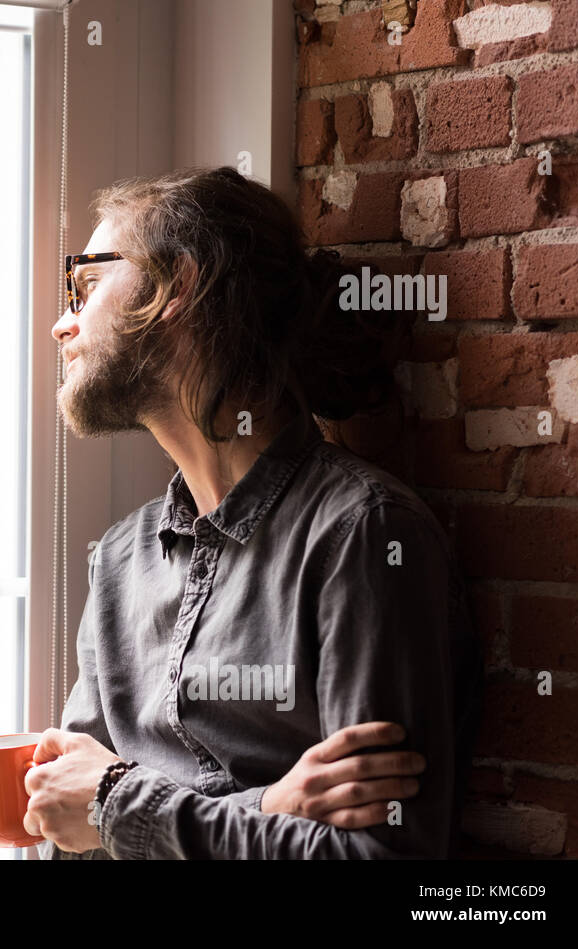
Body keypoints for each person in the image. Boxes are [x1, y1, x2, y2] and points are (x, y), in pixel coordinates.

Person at [27, 166, 483, 859]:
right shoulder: (120, 561)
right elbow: (70, 827)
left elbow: (384, 857)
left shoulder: (363, 537)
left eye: (86, 284)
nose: (63, 322)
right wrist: (269, 805)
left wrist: (121, 804)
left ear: (176, 287)